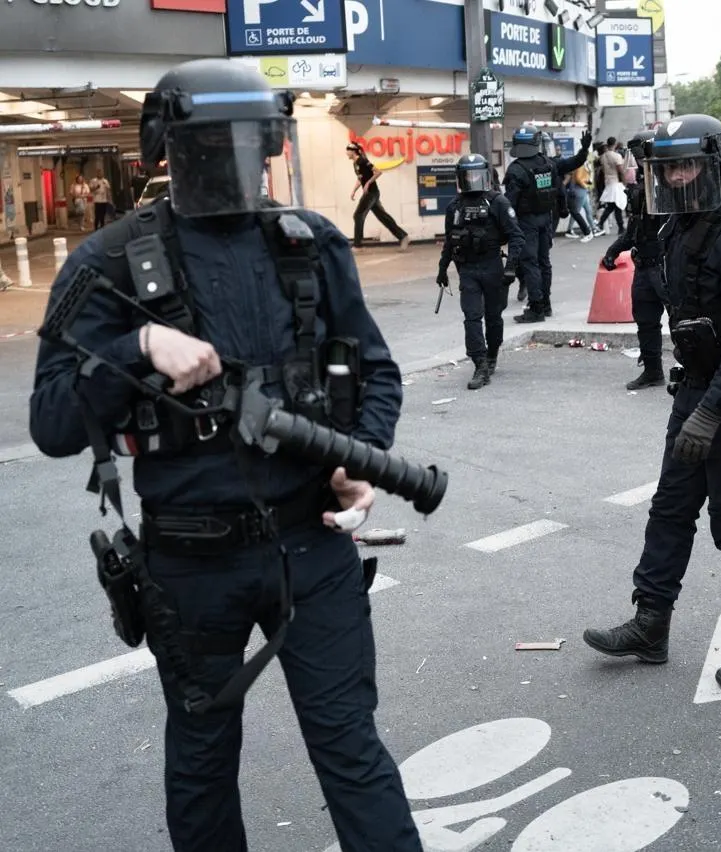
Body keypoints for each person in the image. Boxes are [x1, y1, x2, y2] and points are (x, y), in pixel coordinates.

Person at [28, 58, 423, 851]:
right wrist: (138, 344)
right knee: (203, 762)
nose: (236, 164)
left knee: (351, 749)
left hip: (312, 547)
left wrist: (362, 456)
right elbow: (51, 424)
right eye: (214, 146)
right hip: (187, 563)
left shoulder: (307, 245)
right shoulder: (105, 264)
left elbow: (376, 371)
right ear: (169, 149)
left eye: (253, 144)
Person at [583, 113, 721, 691]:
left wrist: (711, 412)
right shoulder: (679, 225)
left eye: (686, 166)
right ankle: (651, 624)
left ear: (718, 164)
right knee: (671, 507)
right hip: (698, 383)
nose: (676, 178)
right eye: (667, 168)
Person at [438, 154, 524, 391]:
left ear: (485, 176)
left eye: (476, 175)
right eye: (468, 176)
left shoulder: (498, 202)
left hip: (493, 267)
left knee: (494, 318)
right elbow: (449, 240)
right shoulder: (454, 206)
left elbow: (516, 236)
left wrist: (511, 268)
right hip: (468, 270)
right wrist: (442, 268)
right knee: (472, 318)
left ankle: (492, 354)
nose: (472, 180)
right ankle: (480, 364)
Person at [504, 124, 590, 323]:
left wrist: (506, 229)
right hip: (546, 220)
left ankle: (536, 308)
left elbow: (510, 203)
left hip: (526, 223)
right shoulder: (549, 163)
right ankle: (546, 304)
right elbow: (573, 163)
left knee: (530, 263)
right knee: (544, 262)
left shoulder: (516, 170)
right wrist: (584, 149)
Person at [603, 129, 668, 391]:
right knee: (645, 321)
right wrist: (613, 250)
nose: (636, 160)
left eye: (639, 153)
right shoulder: (640, 189)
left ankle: (695, 375)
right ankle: (653, 371)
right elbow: (634, 231)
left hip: (666, 265)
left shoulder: (671, 185)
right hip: (643, 266)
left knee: (683, 322)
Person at [346, 142, 410, 251]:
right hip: (370, 194)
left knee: (358, 215)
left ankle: (358, 245)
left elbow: (378, 172)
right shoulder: (355, 163)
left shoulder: (362, 160)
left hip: (372, 193)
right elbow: (360, 178)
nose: (346, 153)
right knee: (383, 217)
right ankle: (403, 237)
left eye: (347, 150)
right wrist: (354, 191)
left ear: (353, 151)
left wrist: (368, 183)